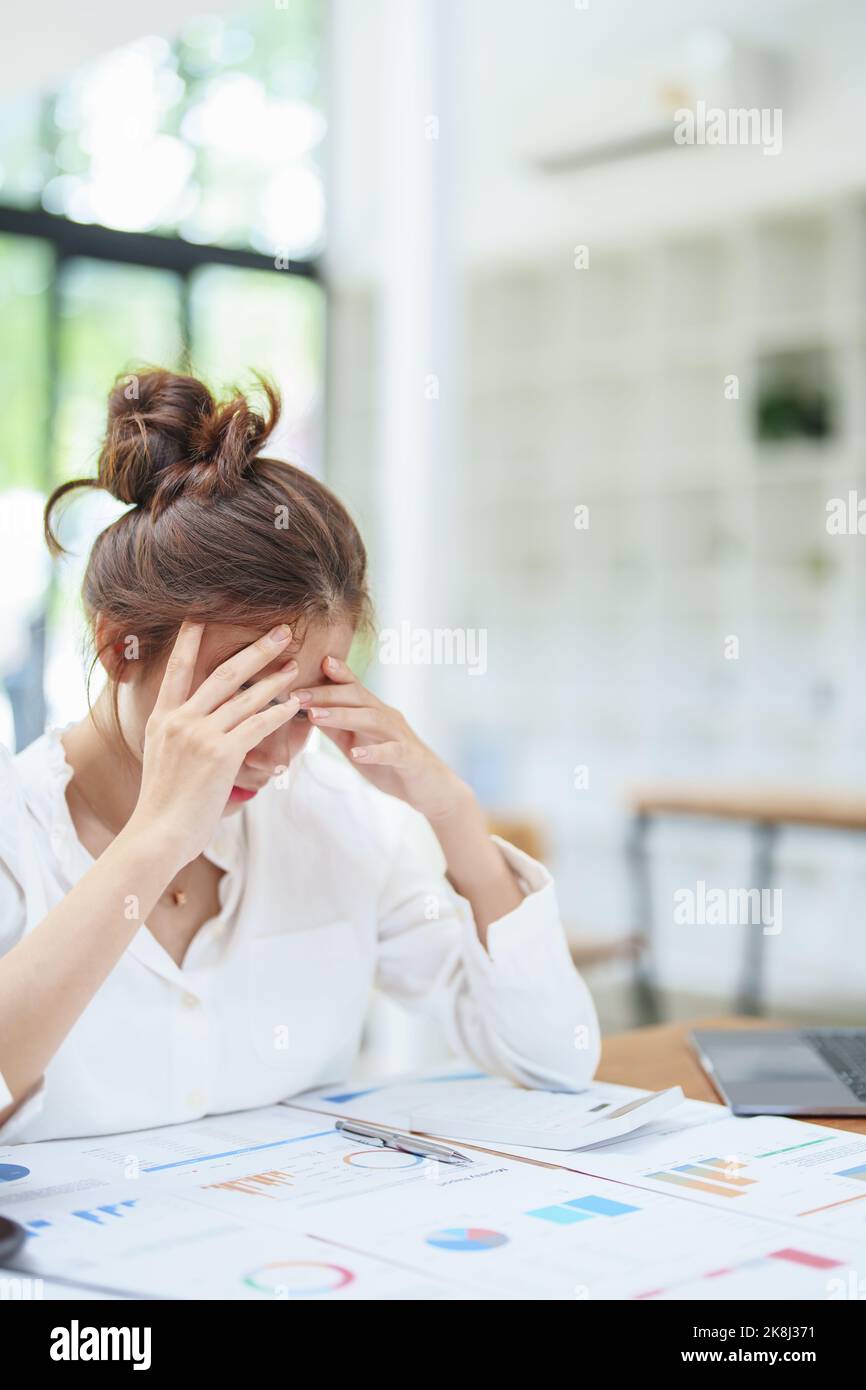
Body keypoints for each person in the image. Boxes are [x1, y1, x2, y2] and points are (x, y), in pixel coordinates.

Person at [0, 369, 600, 1142]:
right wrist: (155, 840)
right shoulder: (16, 832)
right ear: (122, 646)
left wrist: (454, 819)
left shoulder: (332, 813)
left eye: (308, 705)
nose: (279, 752)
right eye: (245, 695)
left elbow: (557, 1059)